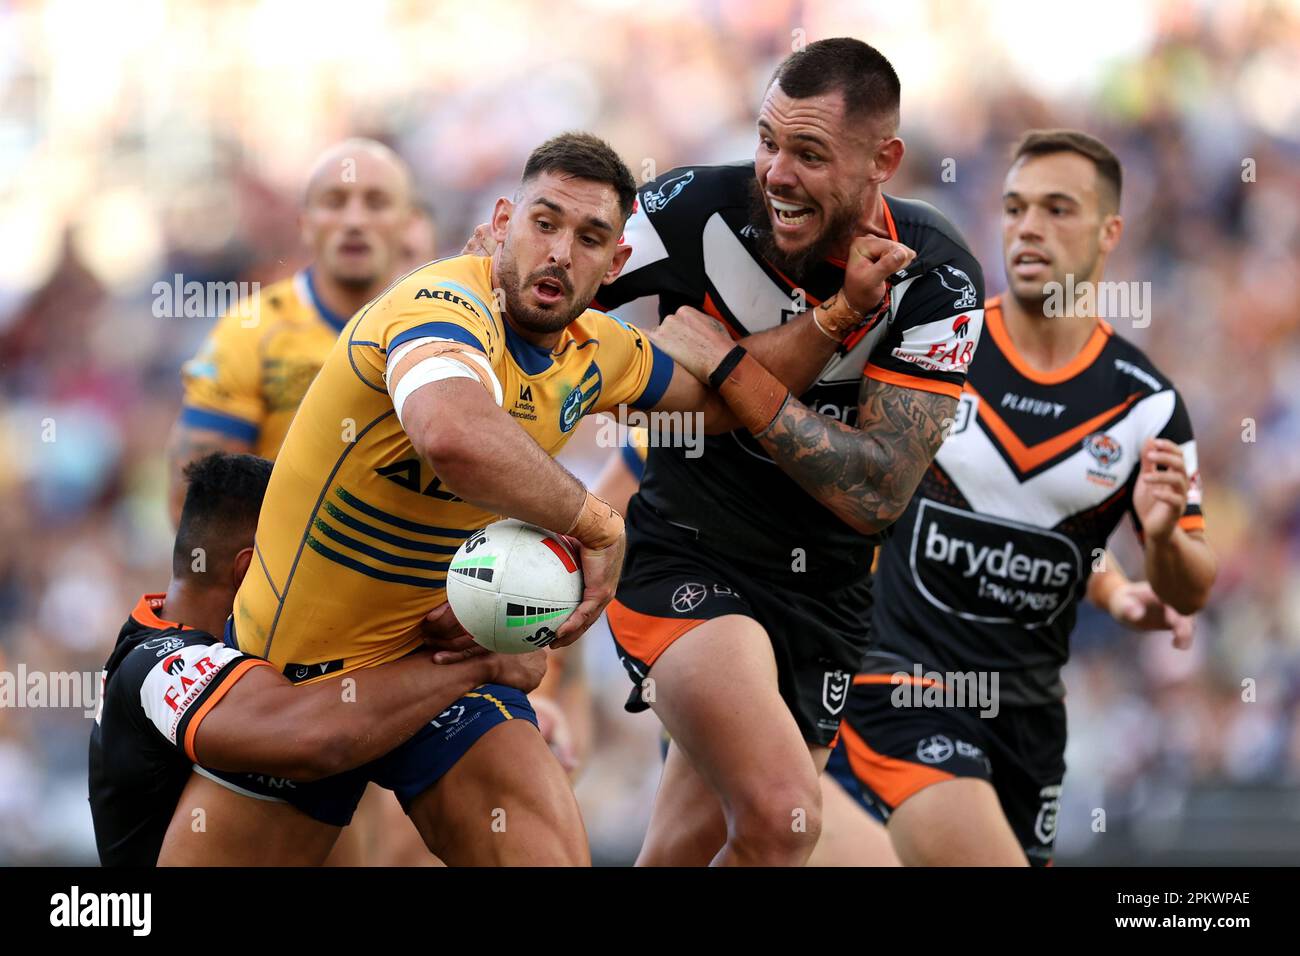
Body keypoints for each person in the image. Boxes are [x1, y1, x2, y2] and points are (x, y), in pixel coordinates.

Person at [159, 131, 836, 866]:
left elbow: (725, 401)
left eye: (589, 238)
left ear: (616, 264)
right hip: (295, 684)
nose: (558, 252)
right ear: (506, 222)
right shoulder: (440, 302)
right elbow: (450, 432)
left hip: (441, 669)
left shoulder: (596, 348)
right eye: (544, 224)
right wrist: (599, 524)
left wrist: (835, 320)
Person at [580, 37, 986, 866]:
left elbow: (873, 493)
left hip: (827, 598)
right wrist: (503, 262)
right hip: (687, 559)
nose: (775, 173)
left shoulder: (937, 280)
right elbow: (549, 286)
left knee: (686, 850)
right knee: (784, 822)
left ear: (885, 160)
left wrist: (731, 366)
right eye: (767, 141)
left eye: (809, 153)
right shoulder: (691, 208)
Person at [823, 129, 1216, 866]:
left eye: (1056, 208)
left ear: (1109, 233)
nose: (1027, 226)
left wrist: (1158, 547)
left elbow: (1189, 585)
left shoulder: (1147, 406)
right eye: (1014, 206)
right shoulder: (934, 344)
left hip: (1029, 719)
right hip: (900, 684)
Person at [89, 453, 544, 866]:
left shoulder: (172, 644)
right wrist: (483, 664)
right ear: (250, 570)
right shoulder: (158, 665)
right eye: (310, 559)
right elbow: (316, 738)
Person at [165, 138, 416, 525]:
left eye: (376, 202)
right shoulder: (251, 331)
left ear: (408, 223)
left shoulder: (444, 327)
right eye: (335, 201)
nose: (354, 221)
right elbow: (196, 502)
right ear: (305, 223)